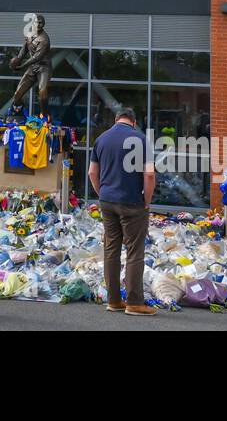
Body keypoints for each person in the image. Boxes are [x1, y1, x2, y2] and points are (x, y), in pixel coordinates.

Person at [88, 106, 156, 316]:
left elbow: (92, 172)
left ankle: (114, 301)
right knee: (135, 251)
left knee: (111, 250)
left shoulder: (101, 139)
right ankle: (134, 302)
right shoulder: (141, 139)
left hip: (107, 201)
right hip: (132, 202)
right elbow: (150, 175)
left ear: (116, 120)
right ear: (133, 122)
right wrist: (146, 200)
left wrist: (102, 193)